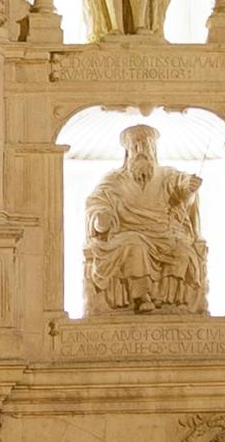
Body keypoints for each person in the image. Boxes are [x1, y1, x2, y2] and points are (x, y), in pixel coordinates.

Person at [82, 123, 207, 314]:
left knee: (182, 251)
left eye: (145, 145)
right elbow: (97, 203)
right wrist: (100, 219)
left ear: (153, 149)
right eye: (135, 146)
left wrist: (190, 186)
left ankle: (171, 303)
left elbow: (182, 187)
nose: (141, 150)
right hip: (128, 234)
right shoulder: (114, 179)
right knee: (135, 245)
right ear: (127, 151)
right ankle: (142, 297)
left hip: (163, 233)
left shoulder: (167, 175)